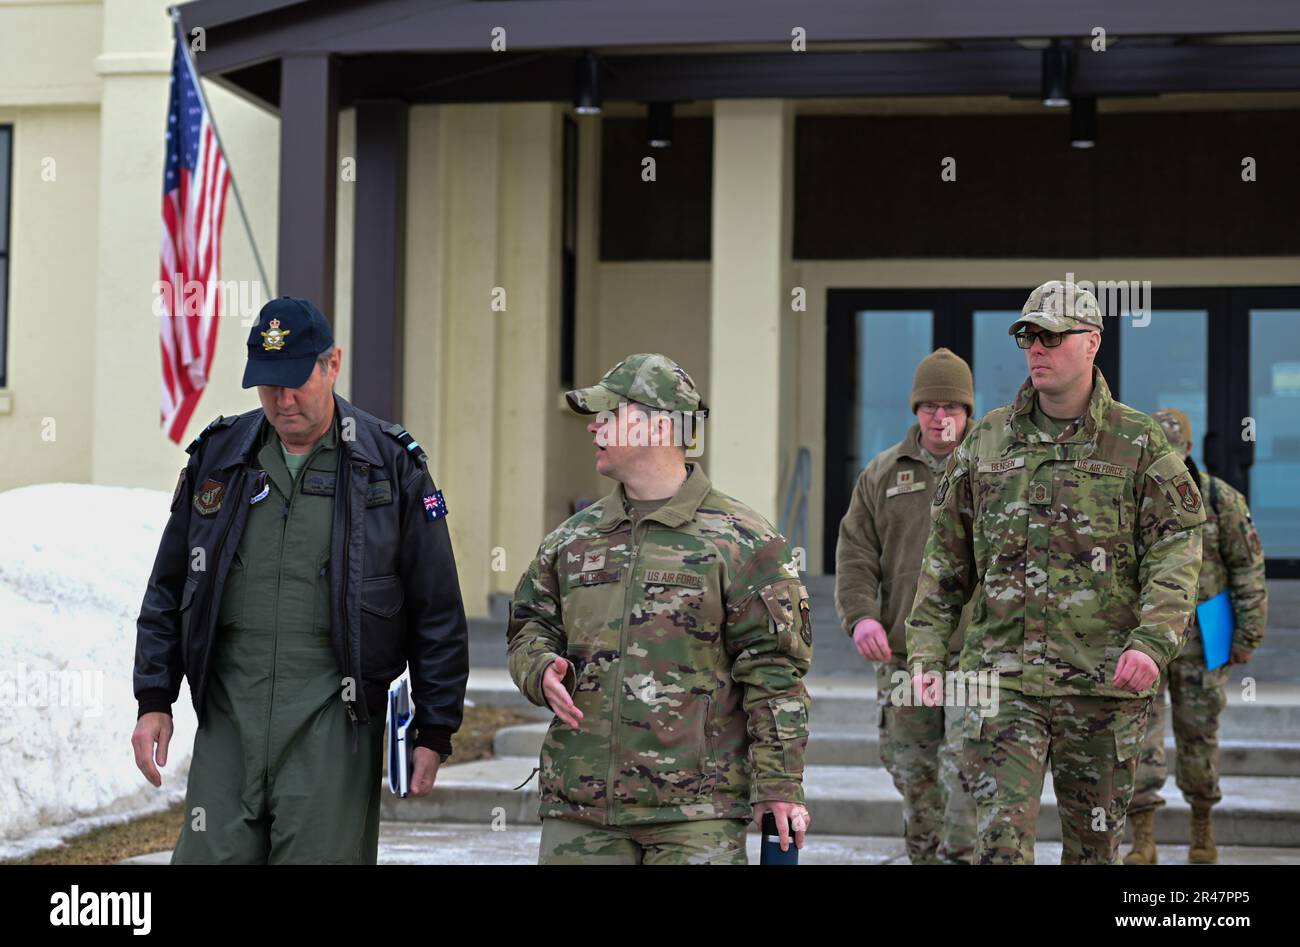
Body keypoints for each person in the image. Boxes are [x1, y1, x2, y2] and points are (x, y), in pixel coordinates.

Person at [131, 296, 470, 863]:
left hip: (333, 718)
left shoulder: (389, 466)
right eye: (268, 387)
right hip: (229, 719)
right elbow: (169, 588)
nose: (283, 402)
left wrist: (435, 730)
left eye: (296, 383)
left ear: (331, 364)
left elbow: (436, 606)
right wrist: (153, 698)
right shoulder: (219, 457)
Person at [906, 280, 1206, 864]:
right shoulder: (986, 441)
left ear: (1092, 342)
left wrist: (1154, 640)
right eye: (1027, 336)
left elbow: (1176, 545)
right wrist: (926, 652)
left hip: (1101, 685)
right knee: (999, 849)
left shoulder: (1137, 442)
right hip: (1002, 683)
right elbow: (945, 559)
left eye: (1052, 335)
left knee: (1094, 851)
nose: (1036, 348)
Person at [507, 353, 813, 864]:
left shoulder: (742, 540)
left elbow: (775, 670)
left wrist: (779, 786)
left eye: (609, 415)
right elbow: (529, 627)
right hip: (581, 811)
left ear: (658, 425)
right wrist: (539, 669)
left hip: (696, 816)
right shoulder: (573, 538)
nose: (595, 428)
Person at [834, 348, 977, 864]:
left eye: (952, 408)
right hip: (902, 654)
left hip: (972, 655)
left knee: (966, 767)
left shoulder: (993, 468)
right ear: (915, 410)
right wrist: (861, 616)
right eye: (930, 406)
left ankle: (961, 858)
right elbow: (854, 553)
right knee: (911, 771)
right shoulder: (883, 473)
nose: (941, 418)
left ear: (968, 412)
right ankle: (923, 856)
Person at [1125, 408, 1268, 865]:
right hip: (1144, 638)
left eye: (1175, 450)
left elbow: (1247, 569)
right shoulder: (1131, 498)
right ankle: (1142, 837)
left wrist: (1247, 633)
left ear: (1188, 451)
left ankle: (1202, 827)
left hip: (1205, 633)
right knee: (1138, 738)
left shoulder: (1221, 499)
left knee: (1199, 734)